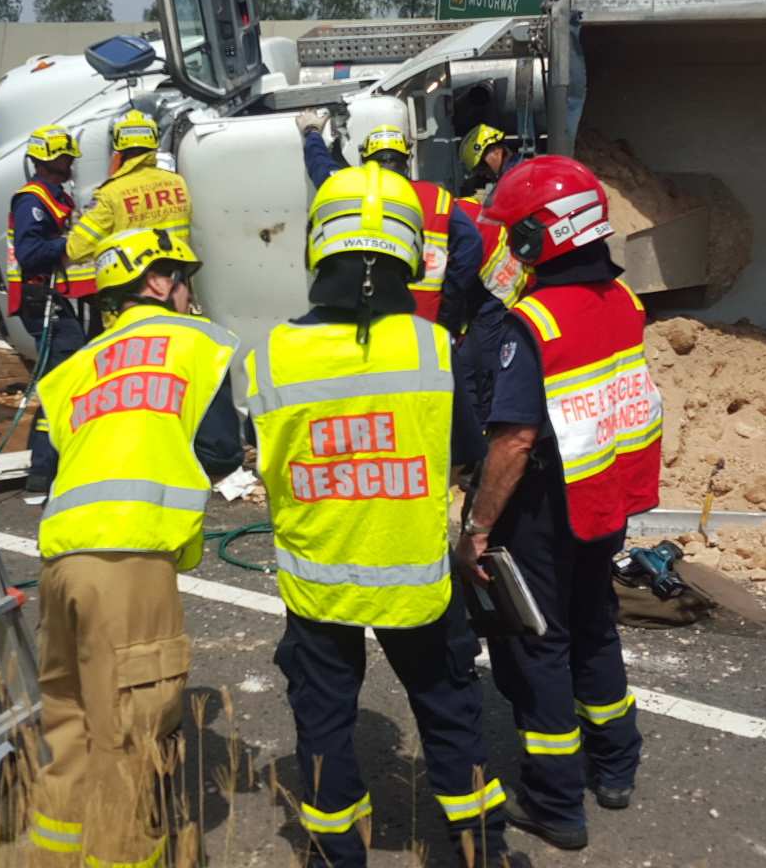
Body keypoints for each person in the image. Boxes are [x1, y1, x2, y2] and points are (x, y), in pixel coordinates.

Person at [246, 162, 514, 868]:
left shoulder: (271, 355)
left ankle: (339, 855)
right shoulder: (435, 349)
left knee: (324, 719)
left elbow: (264, 459)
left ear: (316, 245)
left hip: (319, 580)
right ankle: (477, 850)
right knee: (450, 713)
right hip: (416, 579)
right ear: (409, 252)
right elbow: (465, 455)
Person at [453, 156, 664, 851]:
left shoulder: (533, 323)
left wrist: (478, 528)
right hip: (602, 497)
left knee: (541, 646)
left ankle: (555, 803)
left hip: (544, 506)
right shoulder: (625, 303)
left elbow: (512, 442)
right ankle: (616, 767)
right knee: (595, 625)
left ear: (536, 240)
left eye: (512, 237)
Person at [26, 227, 243, 867]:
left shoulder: (77, 365)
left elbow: (57, 458)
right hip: (131, 564)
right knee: (131, 737)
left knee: (70, 729)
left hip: (60, 563)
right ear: (157, 281)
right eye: (182, 278)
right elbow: (221, 450)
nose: (188, 292)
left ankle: (57, 857)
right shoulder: (195, 343)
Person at [293, 113, 484, 335]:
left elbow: (320, 166)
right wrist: (450, 305)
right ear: (406, 160)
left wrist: (312, 133)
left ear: (365, 160)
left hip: (364, 321)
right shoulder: (437, 198)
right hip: (426, 326)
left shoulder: (347, 191)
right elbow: (471, 247)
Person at [9, 125, 96, 496]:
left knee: (59, 379)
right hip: (40, 301)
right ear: (50, 161)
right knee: (63, 382)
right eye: (67, 158)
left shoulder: (56, 196)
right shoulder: (32, 201)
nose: (72, 164)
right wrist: (70, 241)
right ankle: (44, 471)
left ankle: (42, 461)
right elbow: (30, 254)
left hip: (53, 299)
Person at [455, 124, 526, 426]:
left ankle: (493, 426)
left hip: (499, 291)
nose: (484, 176)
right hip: (503, 287)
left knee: (489, 363)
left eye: (484, 168)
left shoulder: (514, 179)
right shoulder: (516, 175)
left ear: (493, 152)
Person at [64, 110, 191, 266]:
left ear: (118, 145)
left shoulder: (111, 193)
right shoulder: (178, 182)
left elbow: (76, 250)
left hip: (135, 283)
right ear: (154, 139)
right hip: (176, 279)